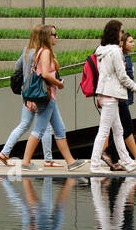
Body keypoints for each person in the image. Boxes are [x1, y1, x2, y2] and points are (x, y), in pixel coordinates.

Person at [18, 25, 86, 171]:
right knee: (39, 129)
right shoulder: (45, 52)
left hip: (50, 97)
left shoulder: (42, 51)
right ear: (47, 37)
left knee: (60, 129)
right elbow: (45, 74)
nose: (56, 37)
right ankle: (25, 162)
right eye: (54, 35)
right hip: (47, 96)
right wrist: (59, 84)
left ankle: (70, 162)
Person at [90, 19, 136, 173]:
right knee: (104, 131)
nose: (123, 34)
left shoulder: (101, 49)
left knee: (118, 130)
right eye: (121, 31)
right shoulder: (116, 51)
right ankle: (94, 164)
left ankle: (126, 160)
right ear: (115, 33)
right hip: (111, 95)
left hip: (104, 94)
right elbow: (122, 77)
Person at [0, 27, 54, 167]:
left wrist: (26, 94)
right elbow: (36, 75)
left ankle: (5, 152)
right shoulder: (39, 52)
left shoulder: (26, 50)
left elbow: (17, 67)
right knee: (45, 126)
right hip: (36, 95)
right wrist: (31, 98)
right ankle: (48, 159)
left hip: (27, 94)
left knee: (24, 125)